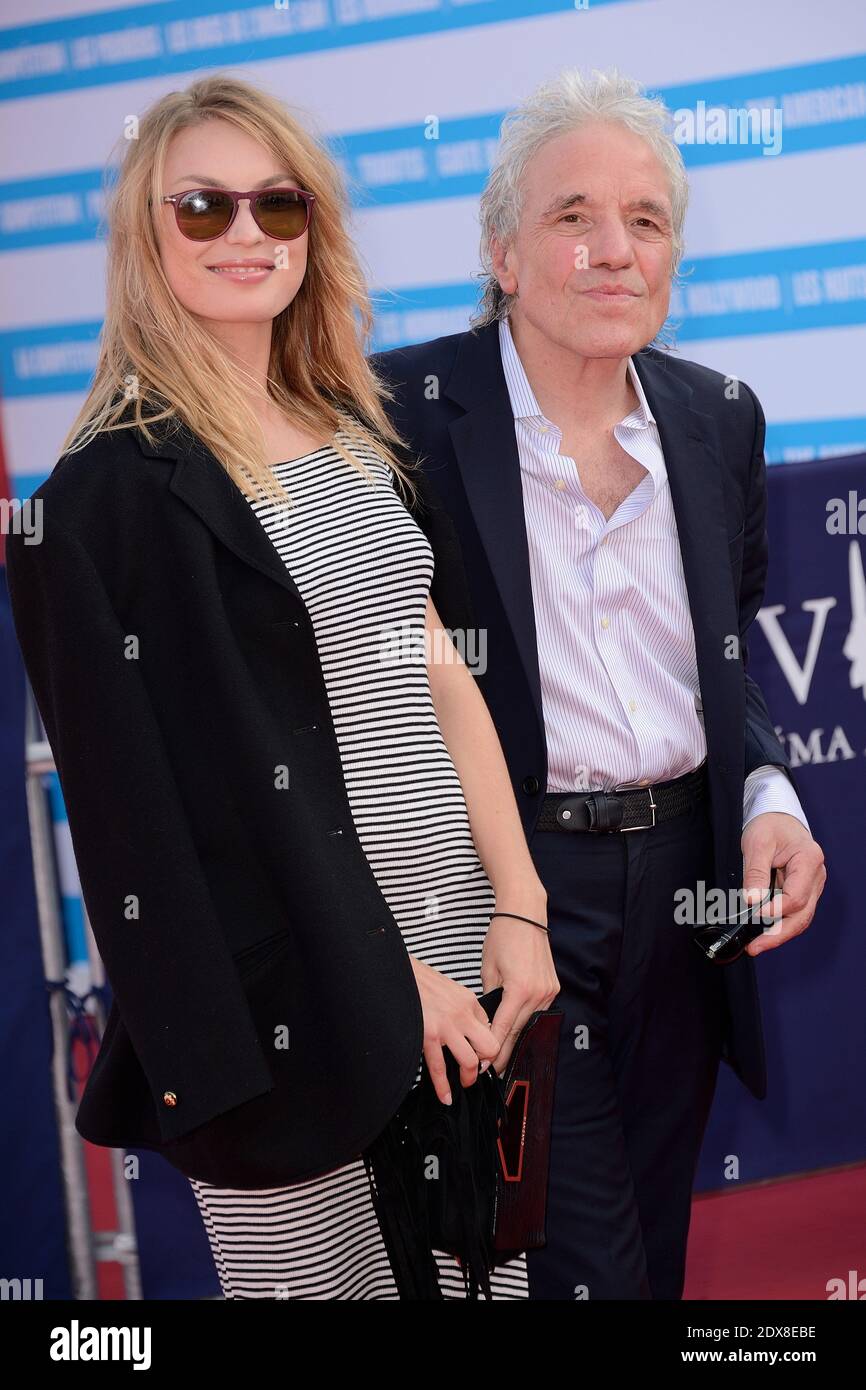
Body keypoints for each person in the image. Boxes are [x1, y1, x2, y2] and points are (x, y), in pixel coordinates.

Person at [5, 73, 559, 1300]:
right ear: (146, 240)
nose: (247, 234)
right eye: (202, 207)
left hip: (460, 945)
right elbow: (159, 834)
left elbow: (437, 674)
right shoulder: (98, 506)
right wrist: (376, 984)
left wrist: (516, 906)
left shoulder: (353, 429)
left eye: (278, 204)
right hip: (288, 1011)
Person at [369, 67, 827, 1300]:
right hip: (504, 891)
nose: (613, 250)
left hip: (684, 892)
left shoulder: (718, 417)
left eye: (645, 220)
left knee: (654, 1245)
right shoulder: (396, 412)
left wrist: (768, 797)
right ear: (502, 252)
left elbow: (723, 657)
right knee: (580, 1262)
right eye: (573, 215)